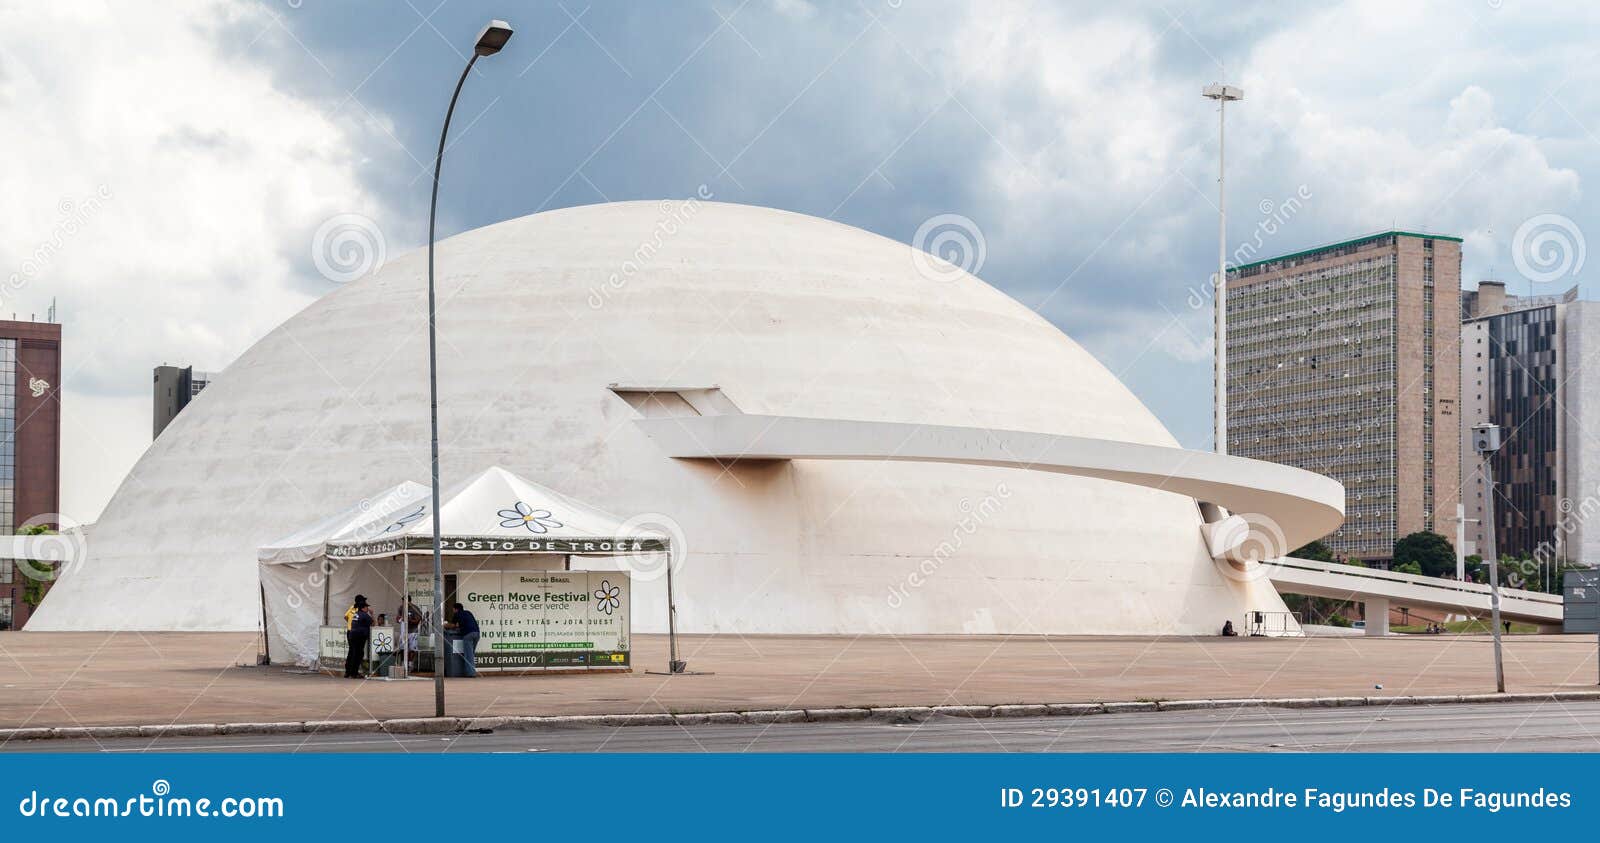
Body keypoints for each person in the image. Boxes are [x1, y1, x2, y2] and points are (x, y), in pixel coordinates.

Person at [445, 602, 480, 677]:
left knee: (468, 655)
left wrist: (444, 625)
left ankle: (471, 674)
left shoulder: (457, 614)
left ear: (455, 609)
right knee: (471, 654)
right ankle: (468, 671)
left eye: (453, 609)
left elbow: (452, 625)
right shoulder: (468, 612)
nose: (453, 611)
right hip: (477, 634)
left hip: (468, 635)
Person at [344, 595, 374, 679]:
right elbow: (371, 622)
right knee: (357, 653)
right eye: (363, 601)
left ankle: (348, 672)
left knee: (351, 652)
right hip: (358, 633)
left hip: (351, 631)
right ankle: (354, 672)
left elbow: (345, 616)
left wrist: (350, 624)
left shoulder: (352, 608)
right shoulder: (360, 610)